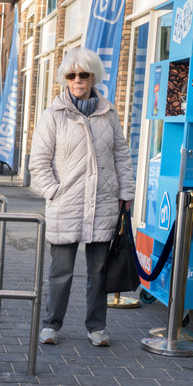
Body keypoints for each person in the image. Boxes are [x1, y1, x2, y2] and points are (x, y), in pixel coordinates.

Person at [29, 47, 134, 347]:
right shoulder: (53, 115)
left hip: (102, 203)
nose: (78, 80)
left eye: (84, 74)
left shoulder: (109, 113)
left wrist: (126, 193)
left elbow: (121, 156)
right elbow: (38, 162)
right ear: (64, 78)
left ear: (93, 77)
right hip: (67, 203)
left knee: (99, 271)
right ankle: (51, 324)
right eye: (72, 74)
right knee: (60, 271)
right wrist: (53, 191)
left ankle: (96, 327)